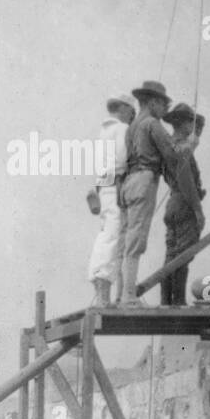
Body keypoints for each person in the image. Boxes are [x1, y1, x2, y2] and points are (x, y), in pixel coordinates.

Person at [119, 80, 204, 305]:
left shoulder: (132, 127)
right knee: (137, 241)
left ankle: (125, 293)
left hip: (130, 181)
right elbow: (173, 156)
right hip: (145, 179)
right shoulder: (152, 124)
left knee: (128, 240)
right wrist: (191, 146)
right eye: (162, 103)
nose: (163, 109)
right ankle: (129, 296)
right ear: (153, 102)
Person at [87, 93, 136, 306]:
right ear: (124, 109)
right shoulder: (122, 130)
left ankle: (103, 290)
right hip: (117, 186)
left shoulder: (103, 132)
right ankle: (106, 292)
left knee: (107, 235)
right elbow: (127, 159)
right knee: (115, 238)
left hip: (104, 187)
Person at [160, 103, 206, 306]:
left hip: (172, 202)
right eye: (190, 122)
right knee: (184, 254)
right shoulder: (183, 148)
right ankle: (177, 300)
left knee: (171, 253)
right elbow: (186, 180)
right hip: (184, 202)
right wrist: (198, 209)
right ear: (183, 122)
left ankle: (166, 300)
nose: (193, 126)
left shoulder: (169, 145)